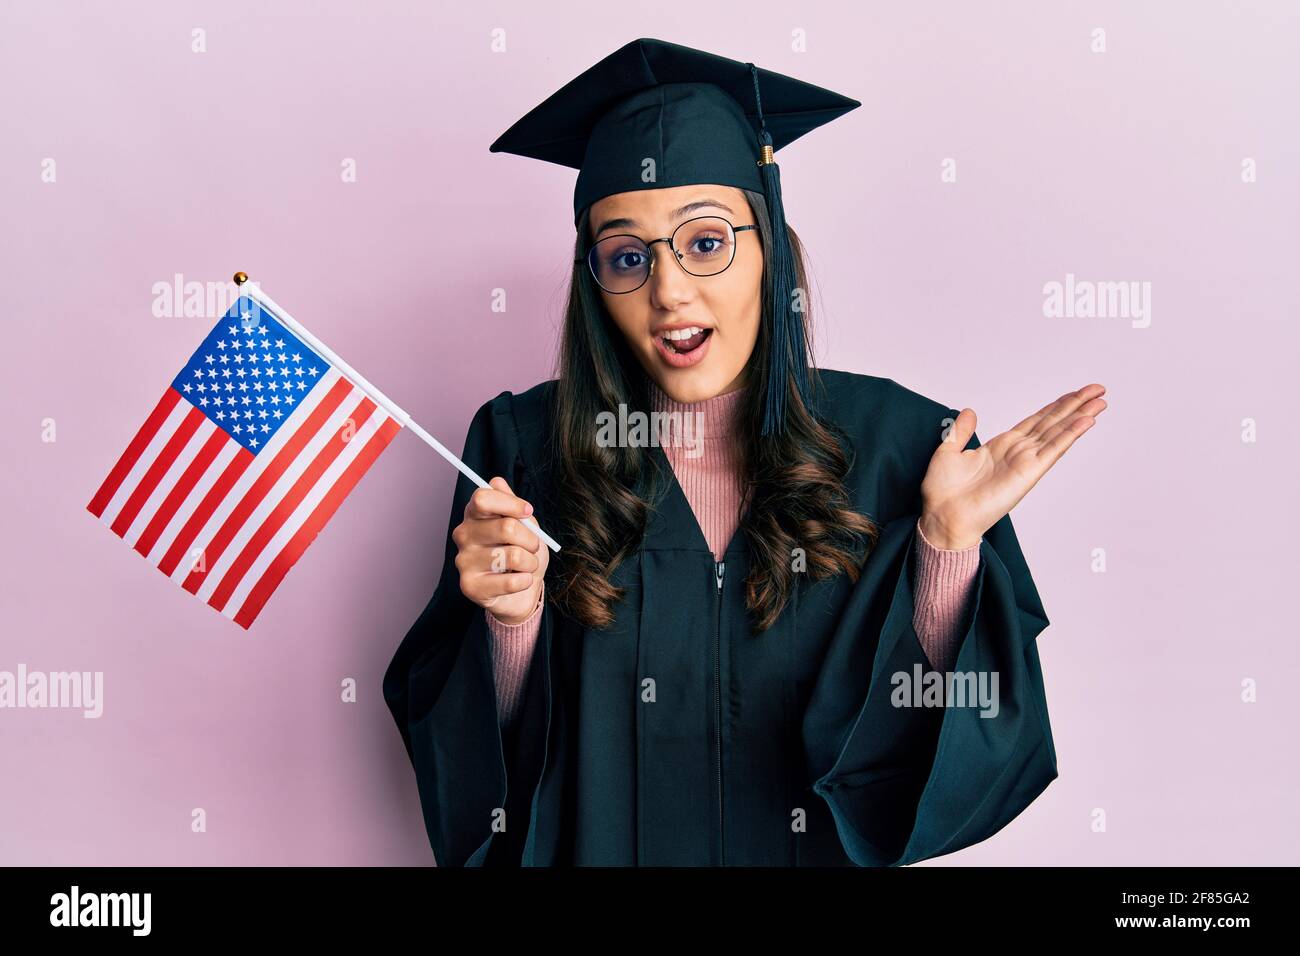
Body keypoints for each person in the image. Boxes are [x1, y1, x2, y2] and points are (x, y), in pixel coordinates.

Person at [383, 38, 1106, 866]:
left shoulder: (903, 448)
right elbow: (476, 787)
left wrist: (944, 555)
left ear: (768, 247)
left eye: (705, 241)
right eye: (626, 256)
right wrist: (509, 627)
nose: (669, 291)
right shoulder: (521, 455)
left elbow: (940, 780)